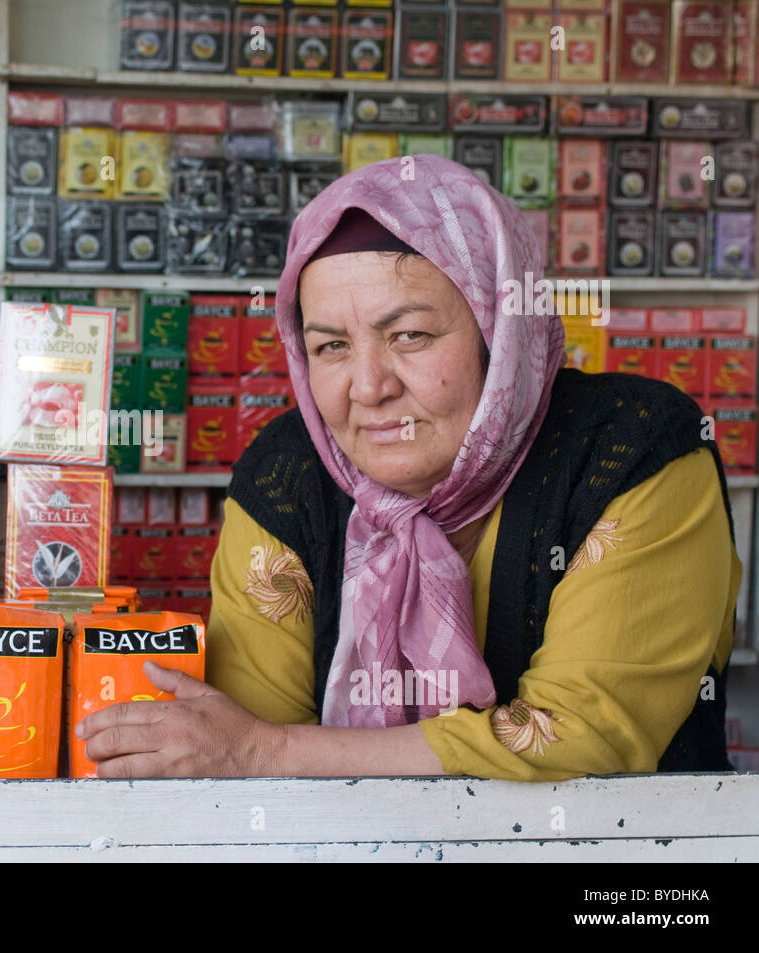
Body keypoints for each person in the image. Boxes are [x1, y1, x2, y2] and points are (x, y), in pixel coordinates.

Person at [75, 155, 741, 780]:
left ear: (498, 333)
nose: (368, 386)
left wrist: (265, 751)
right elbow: (253, 740)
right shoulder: (288, 475)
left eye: (409, 336)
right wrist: (256, 747)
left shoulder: (631, 450)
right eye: (330, 345)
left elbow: (579, 734)